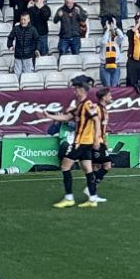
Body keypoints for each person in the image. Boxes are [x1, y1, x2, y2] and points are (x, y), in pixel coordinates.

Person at [53, 78, 109, 209]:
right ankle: (93, 198)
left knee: (65, 166)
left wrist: (96, 139)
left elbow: (96, 120)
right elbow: (66, 117)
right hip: (84, 143)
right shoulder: (79, 105)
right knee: (88, 170)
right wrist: (49, 116)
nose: (74, 91)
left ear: (82, 90)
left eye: (76, 89)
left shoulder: (87, 105)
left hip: (81, 143)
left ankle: (69, 198)